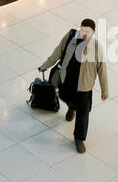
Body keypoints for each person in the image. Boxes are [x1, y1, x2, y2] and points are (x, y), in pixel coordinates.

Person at [38, 19, 109, 153]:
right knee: (65, 97)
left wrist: (105, 90)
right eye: (82, 30)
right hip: (67, 80)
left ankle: (79, 138)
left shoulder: (97, 47)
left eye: (87, 31)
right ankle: (72, 107)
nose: (84, 33)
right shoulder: (70, 37)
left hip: (84, 86)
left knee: (83, 112)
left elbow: (102, 70)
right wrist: (44, 66)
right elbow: (57, 52)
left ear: (93, 33)